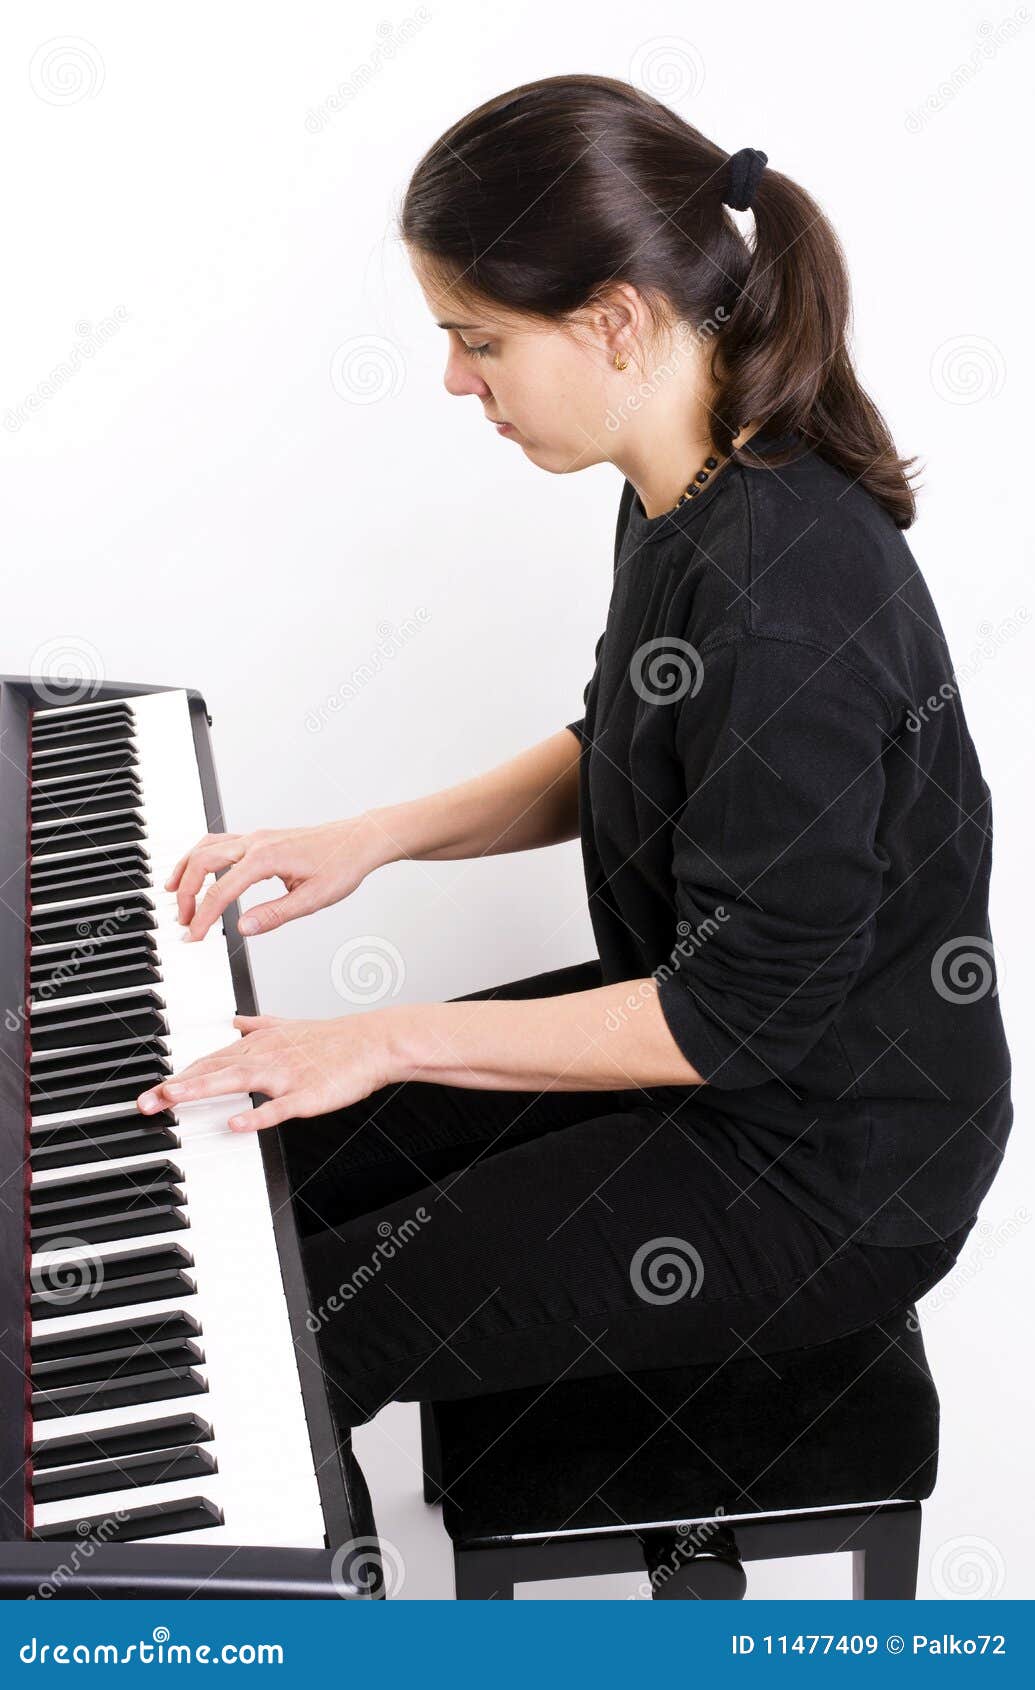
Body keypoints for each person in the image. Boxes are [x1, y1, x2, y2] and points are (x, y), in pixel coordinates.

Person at [135, 75, 1012, 1435]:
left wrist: (383, 1034)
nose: (452, 378)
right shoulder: (689, 484)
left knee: (294, 1341)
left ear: (614, 320)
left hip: (834, 1164)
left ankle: (241, 1633)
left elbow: (738, 1020)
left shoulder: (788, 596)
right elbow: (622, 744)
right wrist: (373, 836)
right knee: (257, 1174)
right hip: (716, 1048)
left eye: (477, 337)